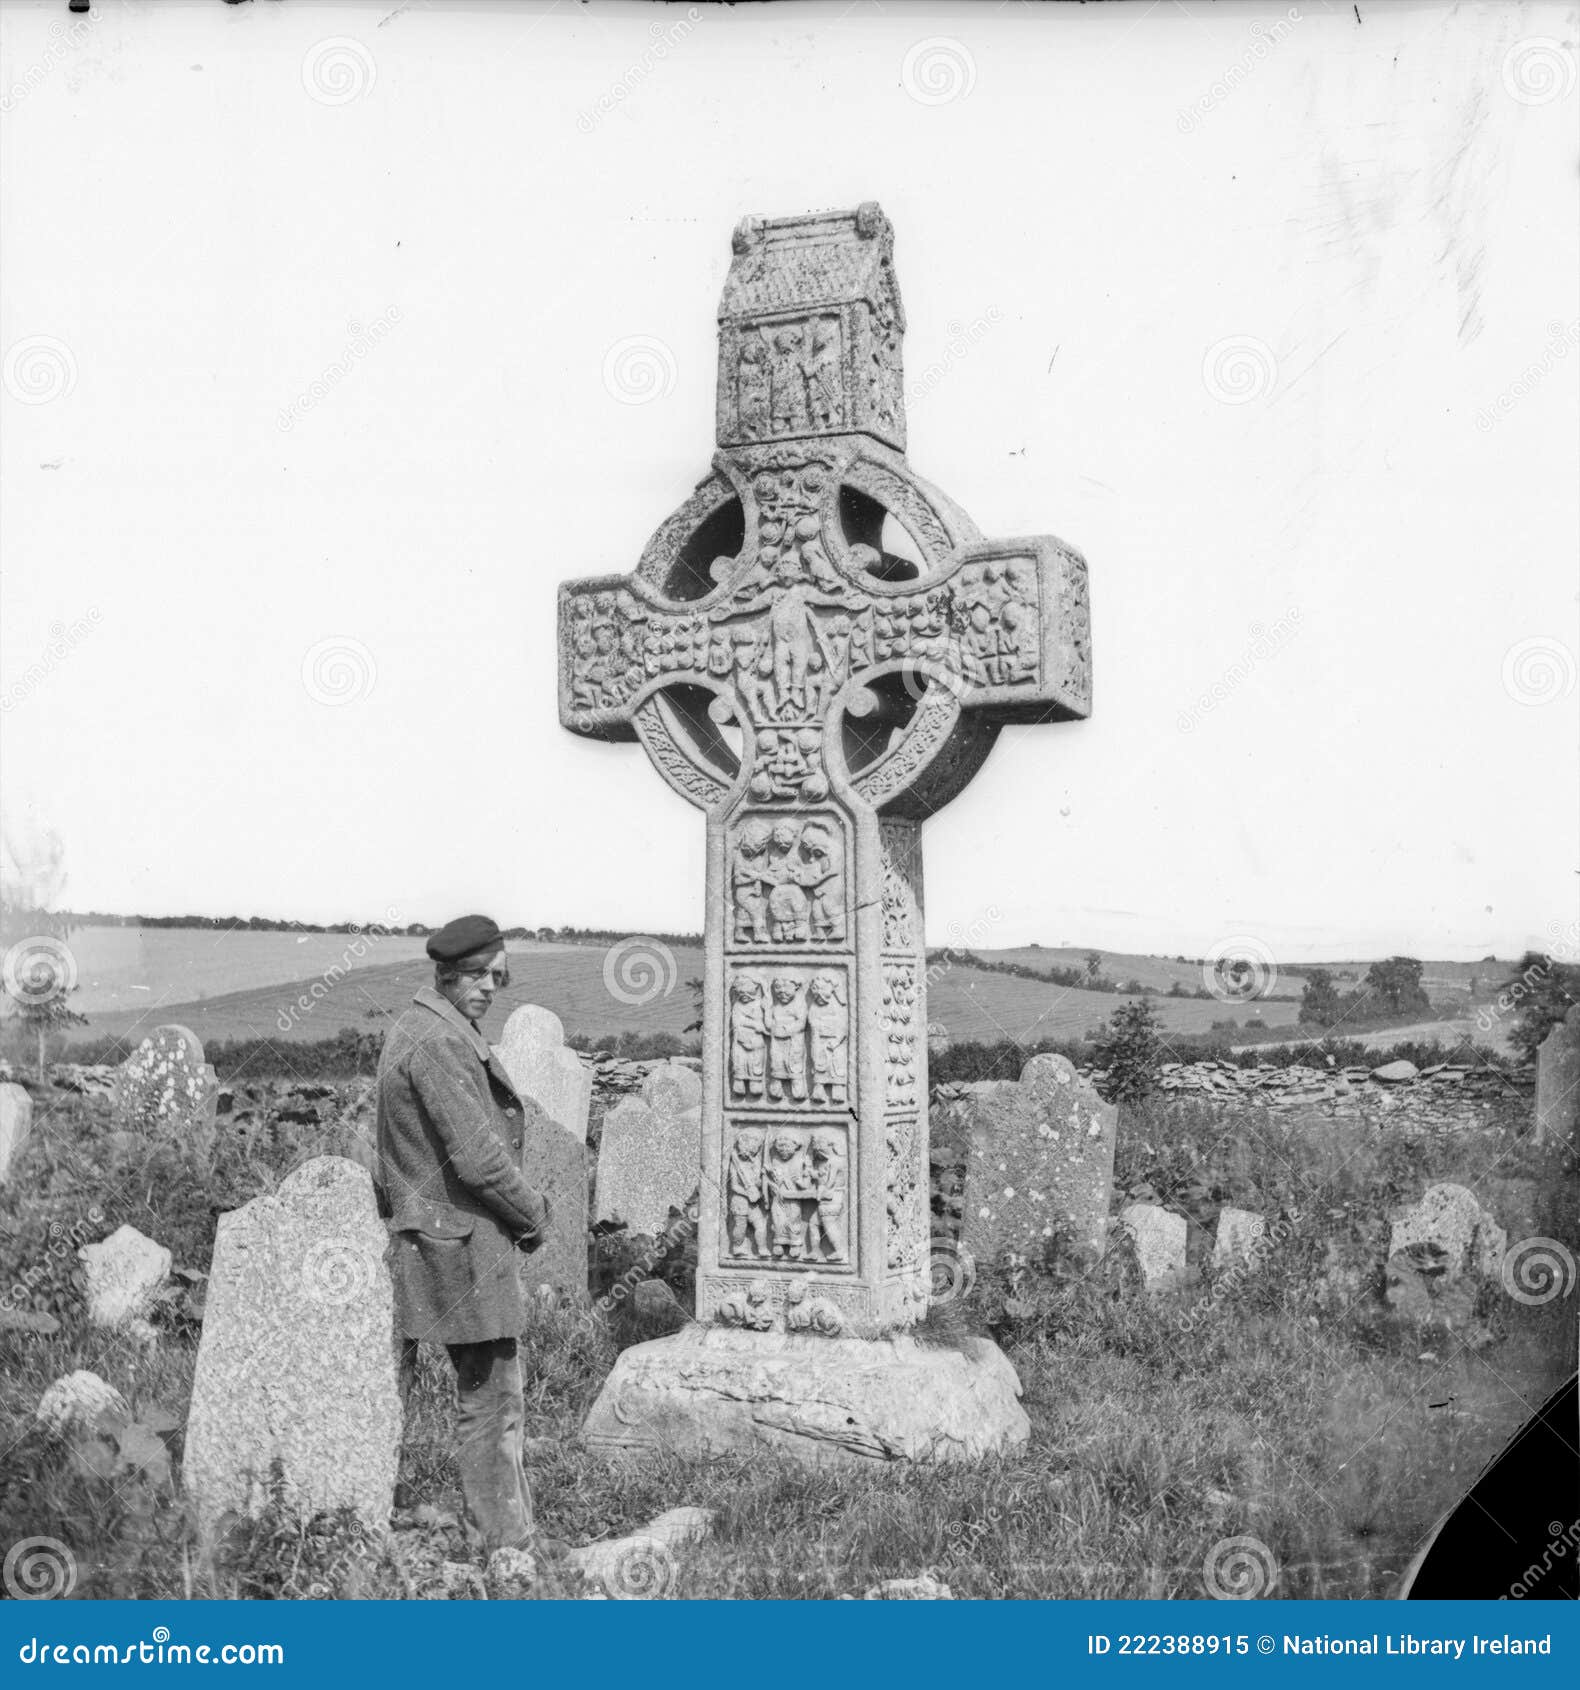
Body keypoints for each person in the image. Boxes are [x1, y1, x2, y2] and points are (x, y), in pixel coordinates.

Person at [375, 913, 550, 1557]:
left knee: (488, 1391)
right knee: (492, 1397)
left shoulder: (425, 1028)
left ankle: (501, 1532)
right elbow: (478, 1158)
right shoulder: (439, 1041)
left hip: (441, 1240)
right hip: (460, 1246)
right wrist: (534, 1214)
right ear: (447, 973)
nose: (489, 988)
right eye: (478, 975)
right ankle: (505, 1544)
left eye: (497, 975)